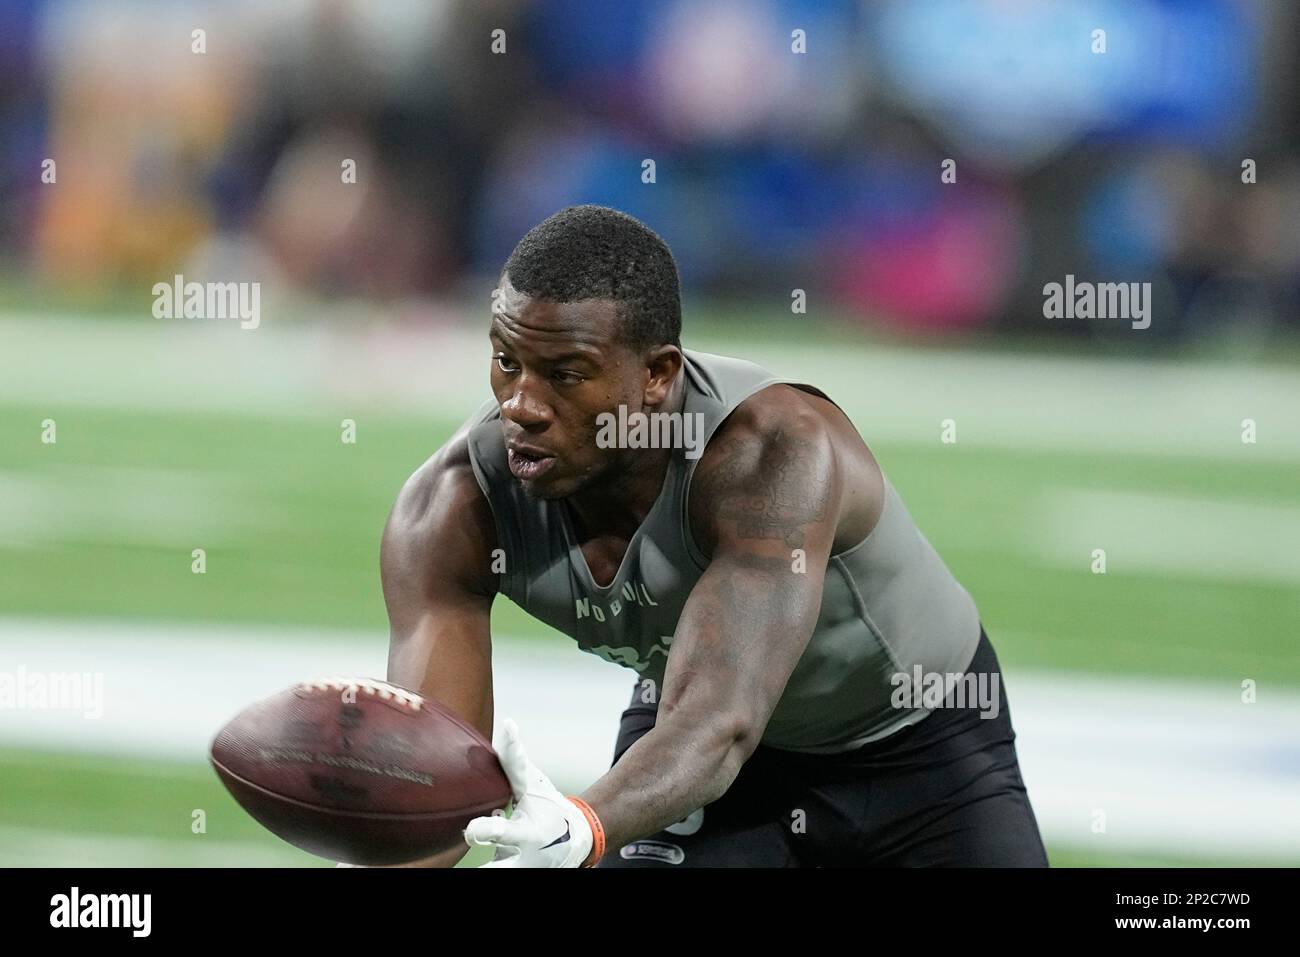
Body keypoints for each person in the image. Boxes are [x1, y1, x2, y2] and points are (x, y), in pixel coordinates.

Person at [380, 204, 1048, 867]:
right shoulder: (453, 506)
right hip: (693, 723)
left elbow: (721, 724)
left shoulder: (770, 454)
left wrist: (580, 826)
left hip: (919, 747)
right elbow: (432, 799)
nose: (521, 404)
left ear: (658, 375)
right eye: (506, 360)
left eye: (566, 374)